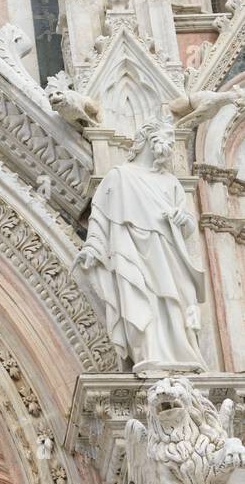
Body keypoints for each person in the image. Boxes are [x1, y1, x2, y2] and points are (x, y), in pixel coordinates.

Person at [75, 118, 207, 376]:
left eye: (171, 140)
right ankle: (149, 353)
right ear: (149, 139)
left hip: (167, 251)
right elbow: (100, 216)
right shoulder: (119, 176)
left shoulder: (171, 182)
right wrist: (92, 248)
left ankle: (180, 353)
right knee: (140, 301)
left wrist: (183, 219)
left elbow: (189, 223)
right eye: (166, 138)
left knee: (174, 301)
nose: (169, 145)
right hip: (129, 248)